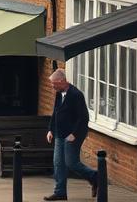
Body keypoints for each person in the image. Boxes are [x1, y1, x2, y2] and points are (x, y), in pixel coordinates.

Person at [45, 68, 98, 201]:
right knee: (58, 163)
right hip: (59, 134)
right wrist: (50, 129)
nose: (52, 87)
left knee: (71, 163)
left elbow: (83, 117)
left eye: (54, 84)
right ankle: (60, 192)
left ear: (62, 81)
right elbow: (55, 112)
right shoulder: (59, 93)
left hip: (72, 135)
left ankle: (95, 176)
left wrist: (74, 134)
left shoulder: (76, 95)